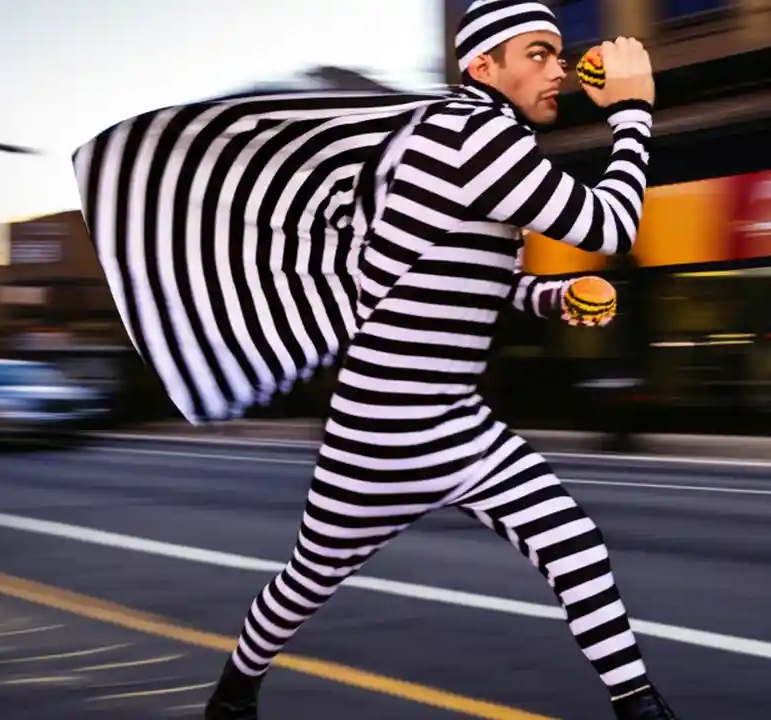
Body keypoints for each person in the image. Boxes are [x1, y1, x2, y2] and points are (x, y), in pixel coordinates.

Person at [72, 2, 675, 717]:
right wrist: (633, 110)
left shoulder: (468, 140)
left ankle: (640, 708)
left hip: (450, 418)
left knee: (571, 543)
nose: (560, 71)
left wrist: (554, 296)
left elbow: (468, 280)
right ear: (483, 67)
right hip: (382, 429)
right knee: (308, 579)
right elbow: (606, 227)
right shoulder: (472, 136)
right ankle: (233, 695)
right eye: (539, 54)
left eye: (559, 53)